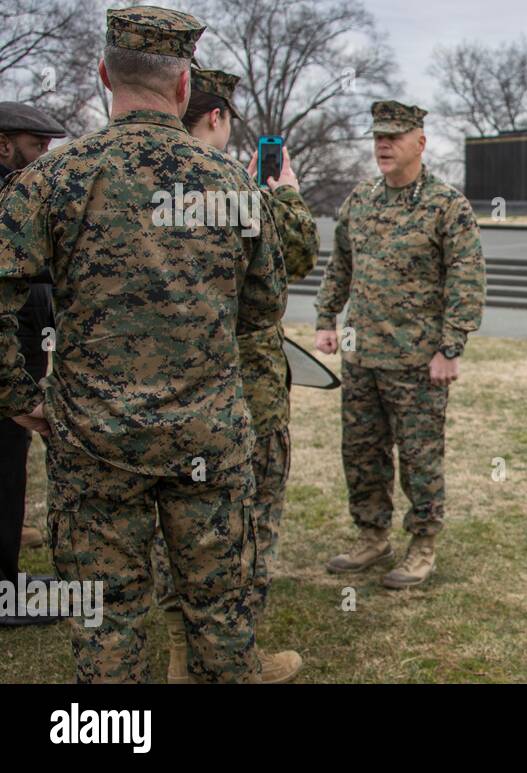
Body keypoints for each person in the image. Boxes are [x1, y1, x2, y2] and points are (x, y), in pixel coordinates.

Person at [0, 5, 284, 682]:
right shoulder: (233, 186)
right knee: (219, 614)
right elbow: (263, 305)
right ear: (185, 87)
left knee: (106, 617)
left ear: (104, 75)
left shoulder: (51, 179)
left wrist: (16, 393)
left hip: (95, 440)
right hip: (205, 437)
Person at [148, 65, 318, 683]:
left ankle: (177, 652)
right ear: (216, 116)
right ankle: (234, 658)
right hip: (243, 397)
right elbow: (293, 261)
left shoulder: (129, 175)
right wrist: (284, 195)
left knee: (175, 528)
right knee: (245, 527)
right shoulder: (236, 193)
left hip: (156, 399)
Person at [315, 100, 485, 590]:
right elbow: (340, 265)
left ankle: (423, 544)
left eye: (394, 137)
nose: (383, 145)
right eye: (377, 138)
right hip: (362, 356)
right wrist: (327, 317)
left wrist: (450, 347)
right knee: (362, 454)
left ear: (420, 142)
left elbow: (467, 280)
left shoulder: (446, 206)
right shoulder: (360, 200)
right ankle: (372, 535)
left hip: (417, 362)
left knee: (419, 457)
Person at [0, 102, 67, 628]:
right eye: (36, 146)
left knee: (11, 464)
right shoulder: (6, 199)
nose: (44, 157)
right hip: (7, 376)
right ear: (5, 145)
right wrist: (15, 393)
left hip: (18, 366)